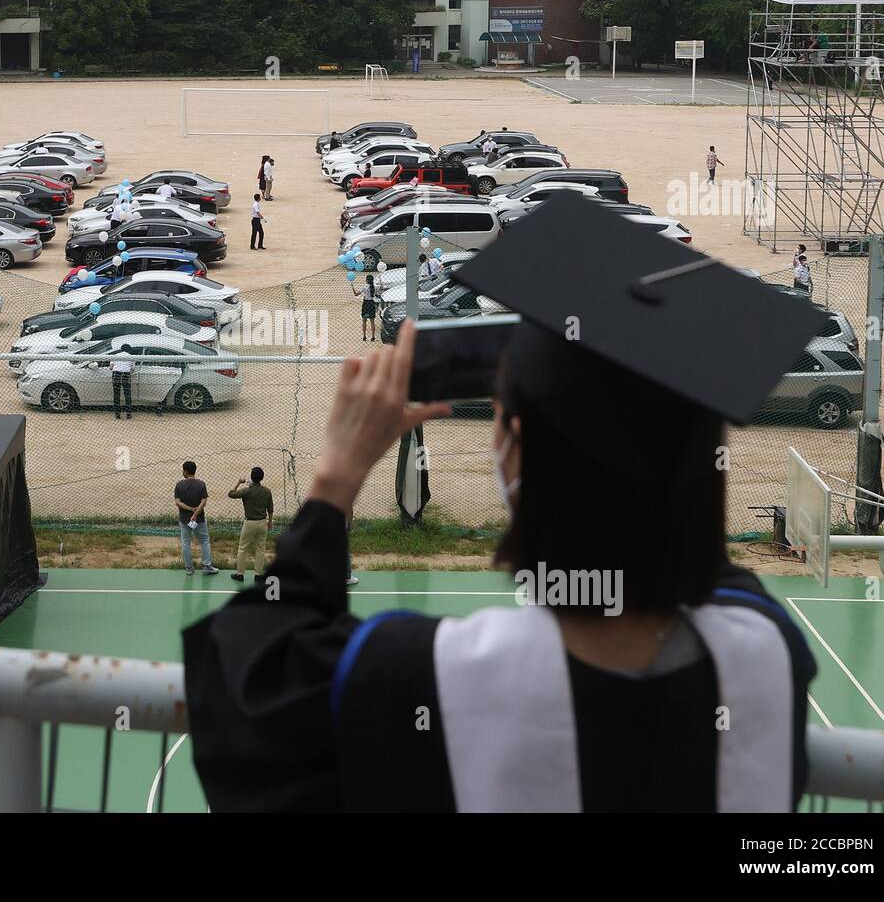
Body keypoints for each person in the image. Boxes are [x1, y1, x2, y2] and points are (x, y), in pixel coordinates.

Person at [182, 194, 824, 812]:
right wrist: (655, 413)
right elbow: (695, 550)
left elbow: (247, 674)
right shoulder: (768, 657)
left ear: (514, 458)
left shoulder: (429, 677)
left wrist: (335, 481)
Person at [228, 467, 274, 582]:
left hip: (249, 522)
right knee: (260, 549)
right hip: (263, 522)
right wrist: (270, 521)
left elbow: (231, 494)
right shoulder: (267, 491)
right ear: (262, 478)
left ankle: (240, 574)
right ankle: (258, 574)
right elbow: (270, 508)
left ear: (251, 477)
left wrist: (239, 482)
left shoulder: (246, 491)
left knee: (243, 548)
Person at [174, 461, 218, 576]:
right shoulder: (201, 484)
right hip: (199, 519)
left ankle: (189, 568)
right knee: (204, 541)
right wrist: (195, 513)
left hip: (184, 519)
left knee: (186, 543)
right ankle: (207, 566)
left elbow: (177, 502)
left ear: (185, 471)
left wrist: (190, 510)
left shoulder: (179, 485)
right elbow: (203, 502)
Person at [352, 273, 378, 342]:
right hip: (371, 304)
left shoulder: (365, 287)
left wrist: (352, 287)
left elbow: (356, 294)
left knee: (364, 321)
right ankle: (373, 336)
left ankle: (364, 336)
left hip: (366, 304)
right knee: (372, 321)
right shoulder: (374, 286)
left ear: (366, 280)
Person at [110, 349, 133, 418]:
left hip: (116, 374)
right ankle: (128, 413)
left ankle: (117, 414)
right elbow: (133, 368)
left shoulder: (115, 356)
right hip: (126, 375)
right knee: (127, 394)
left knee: (116, 394)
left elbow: (111, 367)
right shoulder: (131, 357)